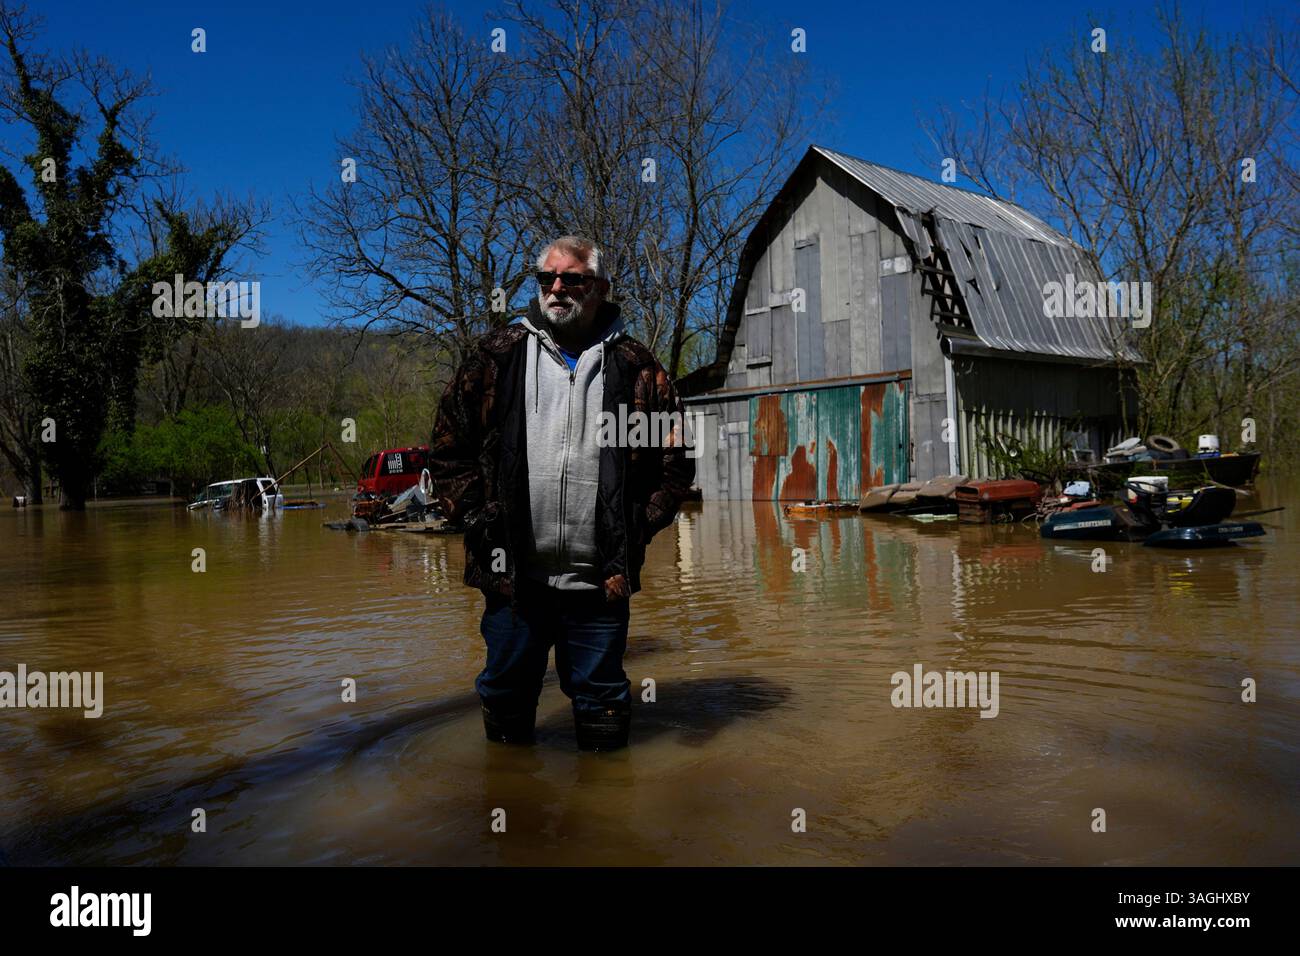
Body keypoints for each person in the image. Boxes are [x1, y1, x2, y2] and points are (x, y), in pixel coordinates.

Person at [429, 235, 695, 751]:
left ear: (599, 287)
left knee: (603, 700)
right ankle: (508, 810)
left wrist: (636, 526)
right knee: (505, 694)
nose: (556, 288)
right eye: (546, 278)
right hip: (513, 581)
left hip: (599, 581)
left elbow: (674, 464)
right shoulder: (495, 358)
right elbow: (447, 450)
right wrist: (478, 517)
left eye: (571, 279)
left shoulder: (637, 369)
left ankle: (605, 814)